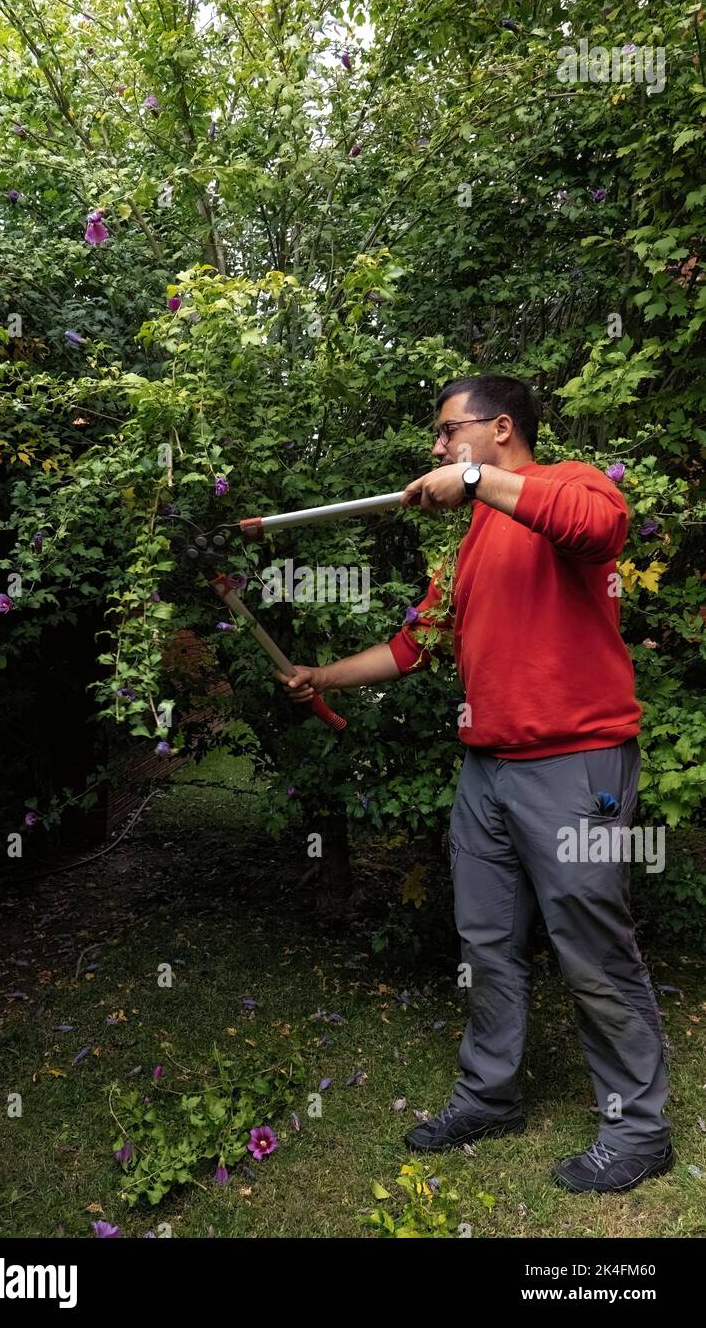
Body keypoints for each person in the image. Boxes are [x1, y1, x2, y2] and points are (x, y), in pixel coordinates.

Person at [276, 373, 674, 1194]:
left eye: (447, 432)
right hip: (486, 772)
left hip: (575, 765)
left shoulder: (568, 485)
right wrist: (324, 676)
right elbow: (414, 645)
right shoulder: (468, 546)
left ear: (499, 432)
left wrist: (469, 482)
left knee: (592, 947)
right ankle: (490, 1096)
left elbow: (601, 530)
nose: (436, 447)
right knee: (487, 944)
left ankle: (639, 1131)